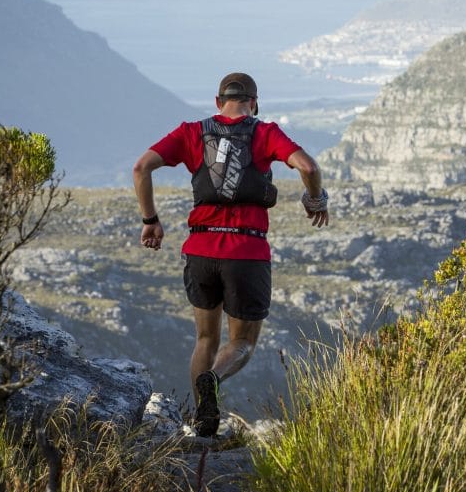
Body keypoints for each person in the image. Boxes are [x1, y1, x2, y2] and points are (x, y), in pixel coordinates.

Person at [133, 72, 329, 436]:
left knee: (205, 339)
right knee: (241, 342)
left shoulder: (192, 131)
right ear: (254, 103)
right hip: (246, 252)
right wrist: (315, 198)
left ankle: (201, 423)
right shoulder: (264, 132)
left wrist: (150, 220)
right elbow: (309, 166)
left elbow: (141, 167)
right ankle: (214, 379)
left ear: (217, 101)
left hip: (200, 250)